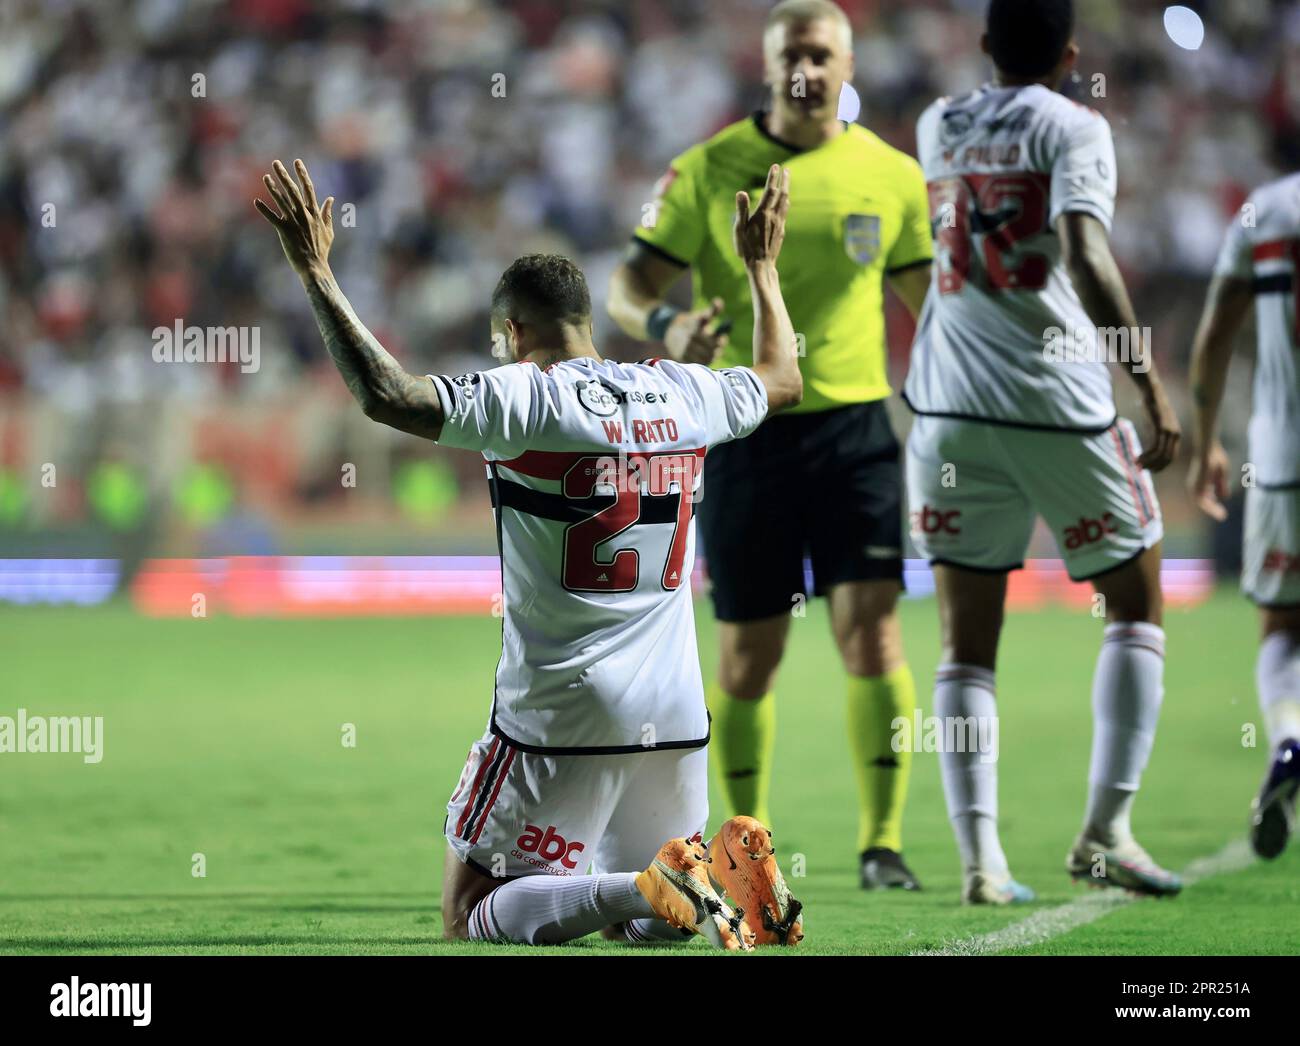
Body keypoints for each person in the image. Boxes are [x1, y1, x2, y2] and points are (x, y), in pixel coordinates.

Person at [255, 157, 804, 947]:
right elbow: (781, 377)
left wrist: (313, 270)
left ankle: (664, 878)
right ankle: (708, 871)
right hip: (677, 709)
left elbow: (387, 394)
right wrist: (761, 269)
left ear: (515, 334)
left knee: (467, 913)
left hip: (563, 708)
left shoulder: (526, 397)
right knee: (646, 925)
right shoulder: (683, 390)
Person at [608, 0, 933, 891]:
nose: (809, 68)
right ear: (768, 65)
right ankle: (749, 849)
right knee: (751, 653)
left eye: (823, 53)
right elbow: (627, 286)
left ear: (848, 62)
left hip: (857, 430)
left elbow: (930, 305)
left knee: (871, 634)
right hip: (745, 428)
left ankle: (883, 846)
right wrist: (669, 322)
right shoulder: (710, 169)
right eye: (793, 52)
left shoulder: (893, 175)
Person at [902, 0, 1183, 903]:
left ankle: (982, 862)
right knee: (1135, 596)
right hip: (1052, 400)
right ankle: (1106, 832)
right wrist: (1146, 378)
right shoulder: (1077, 125)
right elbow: (1086, 254)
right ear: (1070, 53)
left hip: (945, 403)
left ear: (984, 44)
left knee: (965, 641)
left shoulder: (935, 124)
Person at [1188, 171, 1300, 859]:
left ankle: (1290, 735)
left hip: (1283, 457)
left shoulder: (1269, 209)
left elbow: (1215, 333)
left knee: (1282, 625)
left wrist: (1206, 441)